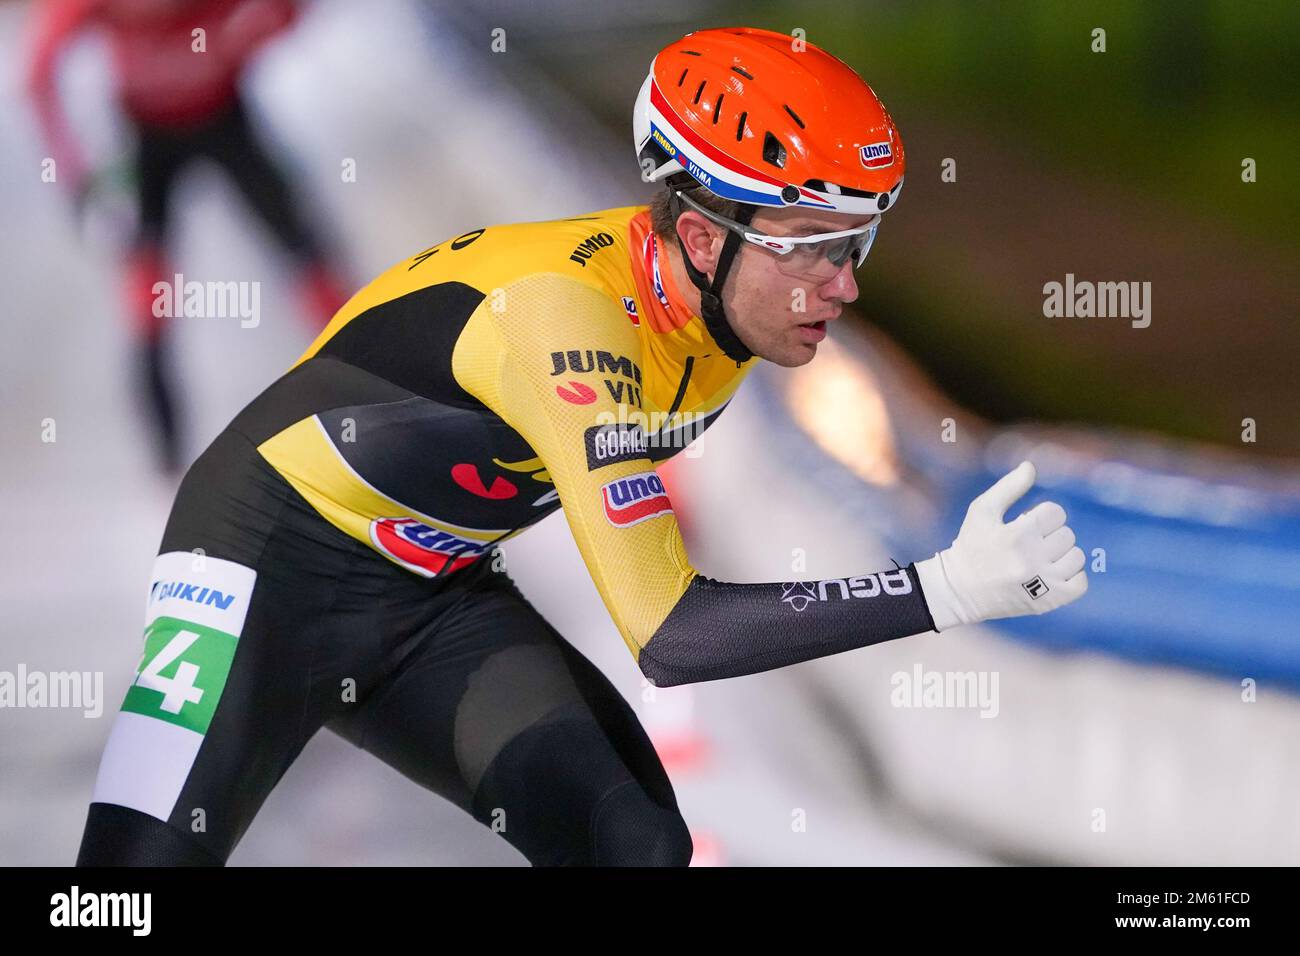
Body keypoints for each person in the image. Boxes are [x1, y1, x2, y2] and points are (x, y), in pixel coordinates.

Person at [75, 26, 1087, 867]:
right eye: (813, 244)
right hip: (258, 557)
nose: (845, 284)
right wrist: (942, 589)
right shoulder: (567, 319)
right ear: (703, 236)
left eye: (856, 240)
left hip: (430, 593)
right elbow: (673, 635)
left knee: (632, 844)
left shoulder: (731, 313)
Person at [27, 0, 351, 473]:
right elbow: (38, 75)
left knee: (310, 260)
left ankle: (371, 403)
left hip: (226, 118)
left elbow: (291, 13)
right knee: (147, 297)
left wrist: (234, 46)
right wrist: (76, 177)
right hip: (147, 138)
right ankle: (168, 466)